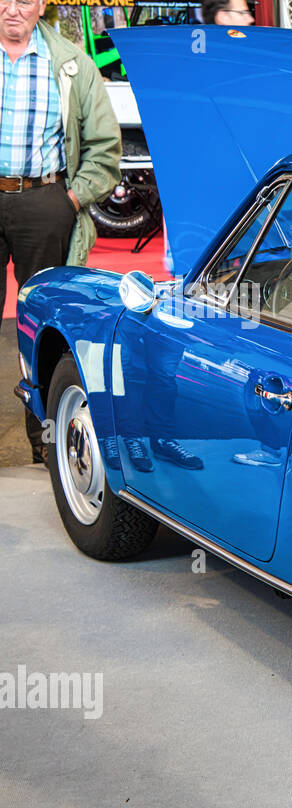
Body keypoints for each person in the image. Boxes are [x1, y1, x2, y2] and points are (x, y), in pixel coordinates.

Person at [3, 0, 121, 464]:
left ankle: (46, 443)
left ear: (43, 5)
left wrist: (69, 200)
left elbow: (104, 145)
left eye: (25, 1)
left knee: (45, 325)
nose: (13, 10)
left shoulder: (73, 63)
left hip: (46, 200)